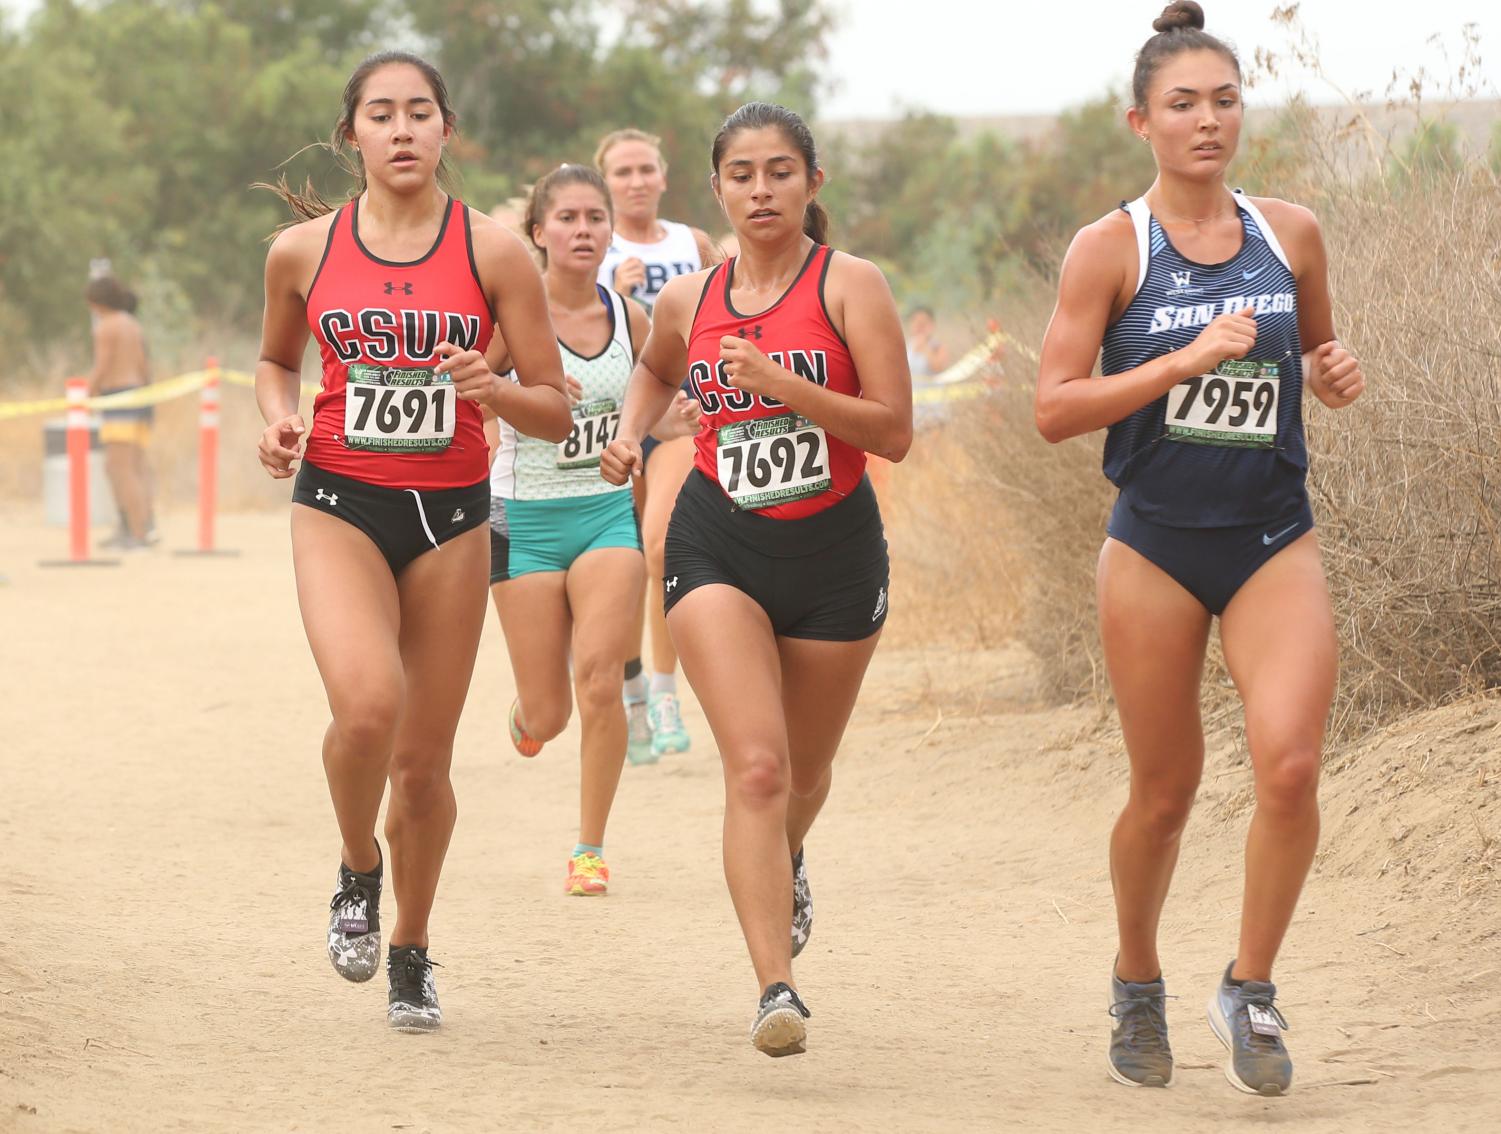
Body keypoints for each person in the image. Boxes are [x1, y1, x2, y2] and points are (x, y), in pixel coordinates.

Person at [1033, 1, 1366, 1097]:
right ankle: (1137, 977)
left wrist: (1328, 370)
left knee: (1291, 763)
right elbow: (1054, 408)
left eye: (1224, 100)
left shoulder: (1290, 232)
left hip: (1272, 535)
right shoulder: (1109, 248)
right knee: (1165, 791)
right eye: (1182, 104)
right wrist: (1172, 365)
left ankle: (1250, 987)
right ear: (1140, 121)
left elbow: (1314, 342)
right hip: (1155, 547)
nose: (1206, 121)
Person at [253, 50, 570, 1032]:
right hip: (339, 498)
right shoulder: (300, 252)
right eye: (380, 114)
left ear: (445, 129)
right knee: (366, 711)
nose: (400, 130)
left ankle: (412, 949)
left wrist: (492, 387)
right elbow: (274, 360)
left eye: (418, 112)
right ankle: (358, 868)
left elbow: (553, 411)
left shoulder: (495, 253)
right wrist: (277, 418)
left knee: (424, 767)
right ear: (351, 132)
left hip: (452, 516)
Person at [601, 102, 912, 1057]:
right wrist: (627, 431)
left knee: (804, 774)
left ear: (812, 184)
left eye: (780, 171)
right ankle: (775, 987)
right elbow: (655, 373)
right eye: (741, 174)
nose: (760, 189)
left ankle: (789, 859)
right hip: (716, 544)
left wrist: (785, 386)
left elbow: (892, 430)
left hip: (834, 554)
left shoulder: (851, 286)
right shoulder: (690, 300)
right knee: (759, 766)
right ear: (718, 190)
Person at [485, 163, 697, 896]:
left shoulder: (628, 314)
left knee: (602, 680)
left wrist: (663, 429)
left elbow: (653, 412)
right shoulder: (512, 315)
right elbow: (468, 402)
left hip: (604, 514)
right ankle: (526, 713)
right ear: (538, 233)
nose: (583, 231)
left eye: (594, 218)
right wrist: (523, 393)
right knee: (550, 712)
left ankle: (588, 848)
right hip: (522, 518)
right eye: (567, 219)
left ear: (610, 230)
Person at [594, 127, 720, 764]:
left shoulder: (691, 243)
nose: (637, 181)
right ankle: (634, 689)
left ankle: (667, 693)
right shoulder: (590, 240)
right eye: (623, 172)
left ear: (665, 176)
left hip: (675, 415)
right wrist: (612, 286)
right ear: (605, 183)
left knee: (661, 543)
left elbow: (725, 308)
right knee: (615, 564)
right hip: (607, 421)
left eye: (646, 169)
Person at [84, 275, 157, 549]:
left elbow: (102, 367)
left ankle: (135, 532)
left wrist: (84, 395)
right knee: (135, 467)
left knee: (120, 468)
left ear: (94, 303)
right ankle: (144, 525)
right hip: (140, 397)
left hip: (119, 398)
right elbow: (143, 366)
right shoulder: (131, 324)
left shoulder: (106, 326)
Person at [904, 305, 951, 379]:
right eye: (916, 321)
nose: (920, 326)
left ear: (932, 324)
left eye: (924, 322)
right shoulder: (905, 346)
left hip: (932, 389)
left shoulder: (938, 346)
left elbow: (939, 368)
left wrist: (925, 348)